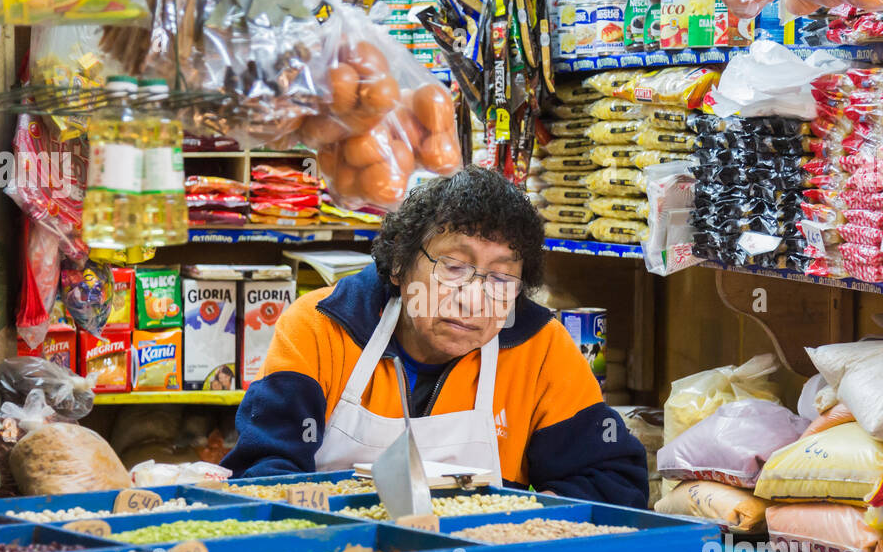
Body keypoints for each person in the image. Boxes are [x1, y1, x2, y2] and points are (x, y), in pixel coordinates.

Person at [222, 166, 649, 507]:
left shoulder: (539, 347)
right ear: (400, 266)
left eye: (501, 277)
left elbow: (615, 484)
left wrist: (522, 517)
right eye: (453, 266)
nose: (473, 300)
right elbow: (262, 471)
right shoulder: (321, 326)